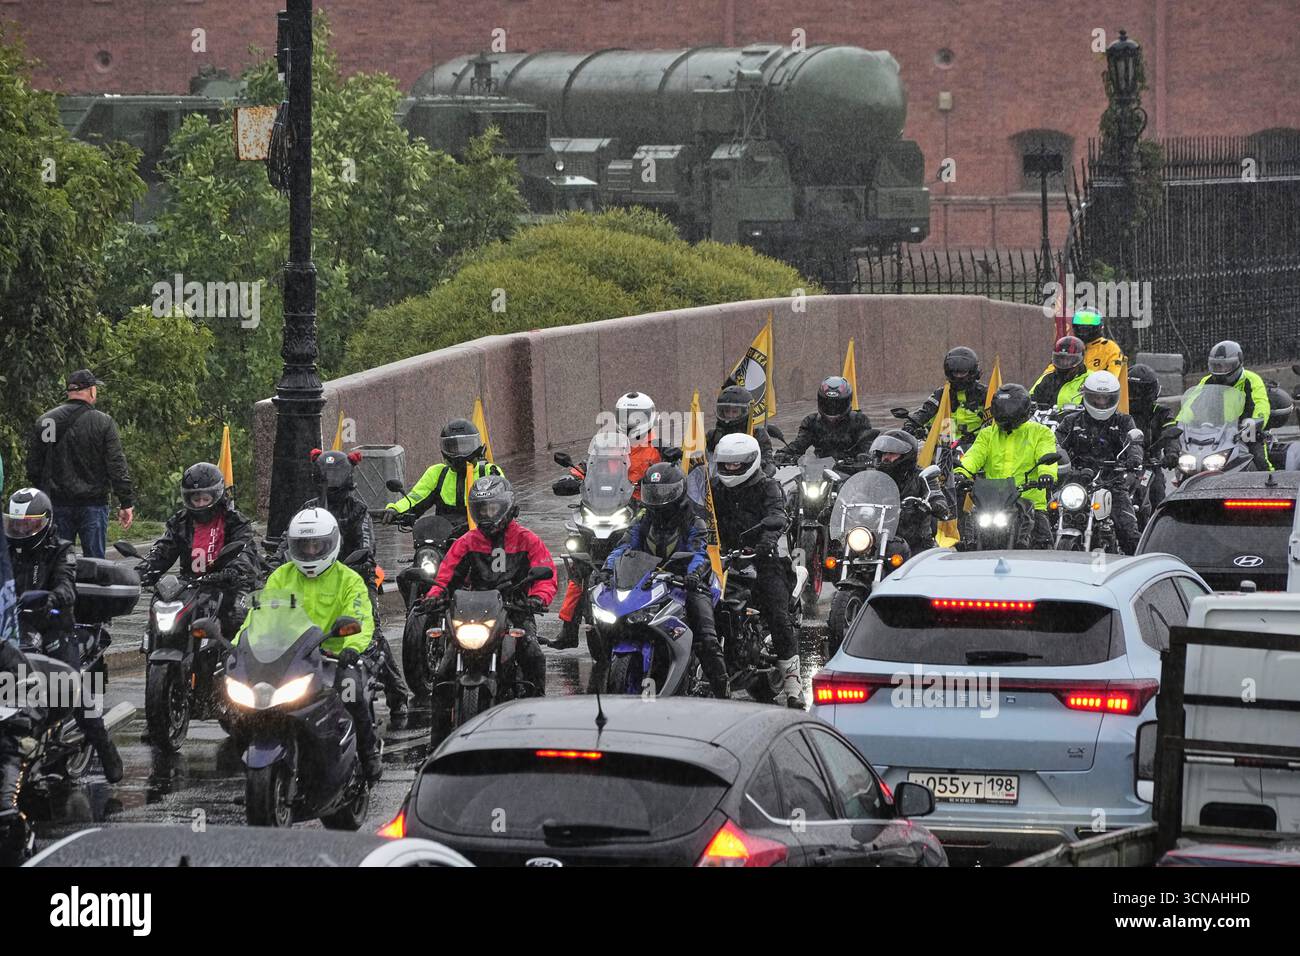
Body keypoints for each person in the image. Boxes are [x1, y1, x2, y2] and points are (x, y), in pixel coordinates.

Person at [245, 508, 383, 782]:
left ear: (331, 543)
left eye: (316, 544)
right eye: (303, 545)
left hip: (335, 657)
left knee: (351, 691)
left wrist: (352, 647)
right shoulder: (281, 577)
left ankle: (368, 753)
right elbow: (258, 616)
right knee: (247, 697)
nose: (310, 551)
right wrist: (240, 646)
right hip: (290, 657)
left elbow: (360, 617)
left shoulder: (349, 580)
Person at [4, 487, 123, 783]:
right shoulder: (4, 551)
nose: (21, 530)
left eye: (28, 524)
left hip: (55, 627)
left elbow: (67, 586)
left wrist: (51, 598)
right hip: (14, 627)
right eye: (16, 524)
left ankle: (104, 747)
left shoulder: (61, 549)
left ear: (45, 522)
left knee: (67, 683)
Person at [288, 449, 411, 716]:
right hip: (311, 576)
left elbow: (368, 545)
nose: (330, 481)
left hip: (352, 575)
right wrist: (279, 558)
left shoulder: (359, 509)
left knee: (372, 633)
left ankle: (396, 692)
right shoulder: (308, 510)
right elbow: (292, 539)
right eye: (325, 475)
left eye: (336, 475)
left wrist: (361, 561)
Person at [602, 463, 729, 697]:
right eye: (654, 492)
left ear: (678, 491)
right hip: (650, 581)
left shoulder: (693, 520)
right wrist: (608, 569)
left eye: (664, 492)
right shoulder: (643, 520)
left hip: (687, 583)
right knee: (615, 619)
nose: (659, 498)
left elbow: (700, 552)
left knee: (706, 639)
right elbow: (623, 547)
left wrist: (693, 575)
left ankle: (723, 694)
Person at [421, 476, 554, 698]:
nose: (486, 516)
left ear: (507, 508)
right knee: (444, 670)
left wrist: (538, 598)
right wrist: (435, 595)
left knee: (533, 655)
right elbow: (445, 575)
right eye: (481, 510)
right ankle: (441, 728)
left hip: (516, 608)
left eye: (492, 509)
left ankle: (535, 707)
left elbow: (545, 573)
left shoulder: (527, 540)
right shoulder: (467, 541)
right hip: (472, 610)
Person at [711, 434, 802, 707]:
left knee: (777, 614)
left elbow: (776, 516)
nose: (730, 470)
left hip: (761, 559)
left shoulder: (768, 487)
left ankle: (792, 686)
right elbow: (699, 513)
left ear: (751, 462)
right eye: (725, 465)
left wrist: (762, 545)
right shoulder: (713, 487)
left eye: (737, 465)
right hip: (719, 559)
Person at [136, 463, 258, 637]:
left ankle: (232, 659)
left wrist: (233, 570)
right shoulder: (180, 522)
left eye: (205, 499)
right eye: (196, 499)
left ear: (216, 496)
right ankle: (152, 646)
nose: (200, 504)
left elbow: (245, 551)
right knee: (158, 620)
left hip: (227, 587)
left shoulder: (235, 521)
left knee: (237, 617)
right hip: (190, 588)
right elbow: (163, 549)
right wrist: (141, 572)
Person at [26, 369, 135, 558]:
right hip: (93, 505)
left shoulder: (47, 421)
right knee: (95, 565)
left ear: (69, 391)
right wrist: (126, 502)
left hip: (56, 503)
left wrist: (45, 493)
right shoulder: (103, 422)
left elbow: (34, 466)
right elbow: (116, 465)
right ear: (92, 391)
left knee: (57, 562)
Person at [954, 384, 1058, 549]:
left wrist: (1046, 474)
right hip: (991, 503)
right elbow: (974, 456)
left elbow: (1046, 455)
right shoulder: (987, 434)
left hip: (1029, 503)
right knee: (968, 542)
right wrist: (961, 472)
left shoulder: (1041, 433)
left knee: (1044, 547)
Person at [1055, 372, 1144, 554]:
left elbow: (1134, 443)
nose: (1101, 403)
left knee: (1128, 530)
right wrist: (1052, 457)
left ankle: (1135, 565)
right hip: (1076, 481)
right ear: (1086, 396)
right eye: (1096, 397)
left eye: (1106, 398)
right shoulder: (1071, 421)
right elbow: (1055, 444)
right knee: (1047, 516)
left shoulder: (1123, 421)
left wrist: (1133, 458)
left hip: (1111, 481)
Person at [381, 419, 503, 529]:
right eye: (453, 448)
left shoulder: (489, 472)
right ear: (444, 449)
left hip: (482, 535)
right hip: (445, 537)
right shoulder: (437, 473)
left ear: (477, 446)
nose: (460, 453)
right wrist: (395, 509)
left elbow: (503, 502)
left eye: (465, 446)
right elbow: (415, 498)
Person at [1184, 340, 1272, 471]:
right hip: (1213, 433)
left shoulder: (1251, 379)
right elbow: (1191, 405)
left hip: (1245, 433)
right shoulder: (1206, 381)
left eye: (1226, 366)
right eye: (1217, 366)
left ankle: (1271, 486)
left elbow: (1261, 404)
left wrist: (1255, 422)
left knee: (1260, 461)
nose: (1221, 370)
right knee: (1188, 465)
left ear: (1238, 363)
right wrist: (1179, 424)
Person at [867, 430, 951, 555]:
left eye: (891, 453)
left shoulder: (923, 477)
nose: (886, 458)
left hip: (916, 542)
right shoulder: (875, 479)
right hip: (877, 539)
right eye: (883, 454)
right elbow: (859, 495)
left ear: (906, 455)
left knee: (927, 566)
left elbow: (938, 499)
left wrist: (930, 505)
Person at [778, 376, 878, 464]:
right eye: (828, 404)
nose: (832, 408)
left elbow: (867, 445)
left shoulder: (859, 420)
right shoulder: (811, 422)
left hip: (852, 474)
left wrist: (863, 456)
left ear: (848, 401)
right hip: (819, 474)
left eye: (838, 404)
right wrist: (784, 454)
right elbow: (799, 443)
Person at [909, 347, 988, 447]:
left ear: (972, 372)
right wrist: (911, 424)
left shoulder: (985, 394)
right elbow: (923, 412)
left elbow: (998, 420)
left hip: (977, 447)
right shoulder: (941, 394)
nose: (959, 377)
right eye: (955, 373)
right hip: (944, 448)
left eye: (962, 373)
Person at [1127, 364, 1176, 510]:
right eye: (1131, 390)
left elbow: (1171, 432)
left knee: (1158, 496)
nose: (1134, 395)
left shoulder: (1162, 412)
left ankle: (1157, 528)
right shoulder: (1119, 412)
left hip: (1149, 465)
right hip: (1120, 466)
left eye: (1138, 391)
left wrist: (1172, 453)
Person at [706, 385, 775, 474]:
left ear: (745, 411)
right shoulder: (713, 435)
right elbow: (699, 457)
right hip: (719, 483)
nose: (730, 415)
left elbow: (769, 462)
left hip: (748, 483)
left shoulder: (757, 434)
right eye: (727, 411)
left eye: (734, 412)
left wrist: (762, 467)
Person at [1031, 336, 1090, 410]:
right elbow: (1029, 400)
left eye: (1069, 360)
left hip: (1078, 420)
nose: (1064, 363)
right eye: (1060, 359)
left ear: (1080, 359)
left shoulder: (1091, 379)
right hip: (1044, 420)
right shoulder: (1047, 378)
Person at [1065, 309, 1126, 376]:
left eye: (1090, 322)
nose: (1084, 327)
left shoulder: (1109, 348)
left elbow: (1113, 376)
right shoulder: (1070, 346)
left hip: (1100, 385)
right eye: (1080, 323)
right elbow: (1053, 369)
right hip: (1071, 386)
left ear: (1099, 326)